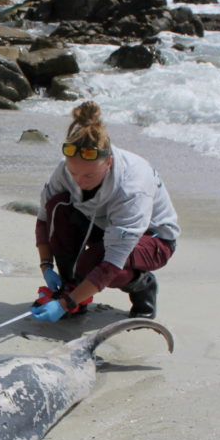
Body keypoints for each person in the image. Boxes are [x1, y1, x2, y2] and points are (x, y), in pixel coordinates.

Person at [31, 101, 180, 321]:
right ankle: (73, 288)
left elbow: (111, 263)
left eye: (88, 176)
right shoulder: (67, 169)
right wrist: (46, 266)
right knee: (58, 207)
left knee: (92, 263)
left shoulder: (132, 187)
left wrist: (64, 304)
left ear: (108, 162)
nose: (79, 181)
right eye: (74, 174)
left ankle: (143, 286)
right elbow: (45, 219)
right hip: (101, 222)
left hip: (153, 239)